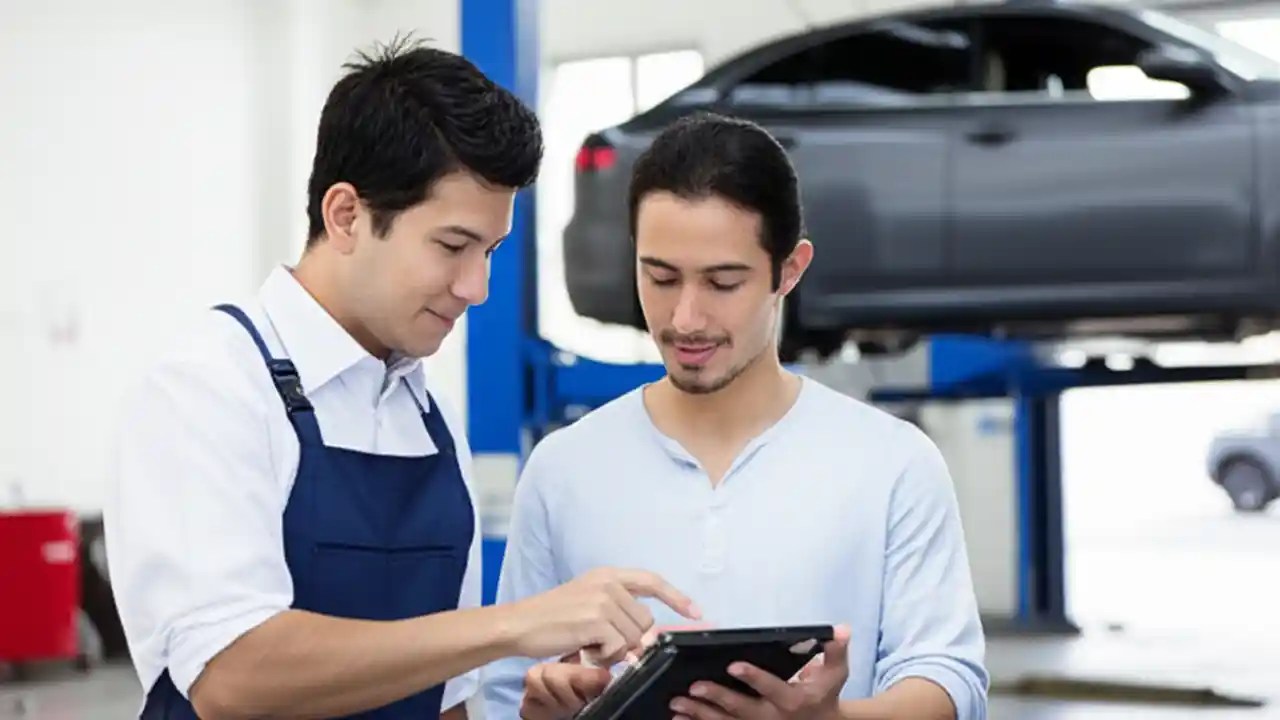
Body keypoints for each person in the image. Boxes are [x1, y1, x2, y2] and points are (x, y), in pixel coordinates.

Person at [104, 38, 698, 720]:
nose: (476, 287)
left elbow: (445, 702)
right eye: (452, 246)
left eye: (490, 250)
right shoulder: (208, 391)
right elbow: (232, 679)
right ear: (346, 216)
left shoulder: (430, 418)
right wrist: (515, 624)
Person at [482, 112, 989, 720]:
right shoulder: (564, 468)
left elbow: (949, 681)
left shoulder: (892, 463)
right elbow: (504, 692)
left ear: (789, 270)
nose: (686, 318)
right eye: (660, 277)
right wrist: (547, 709)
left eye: (723, 282)